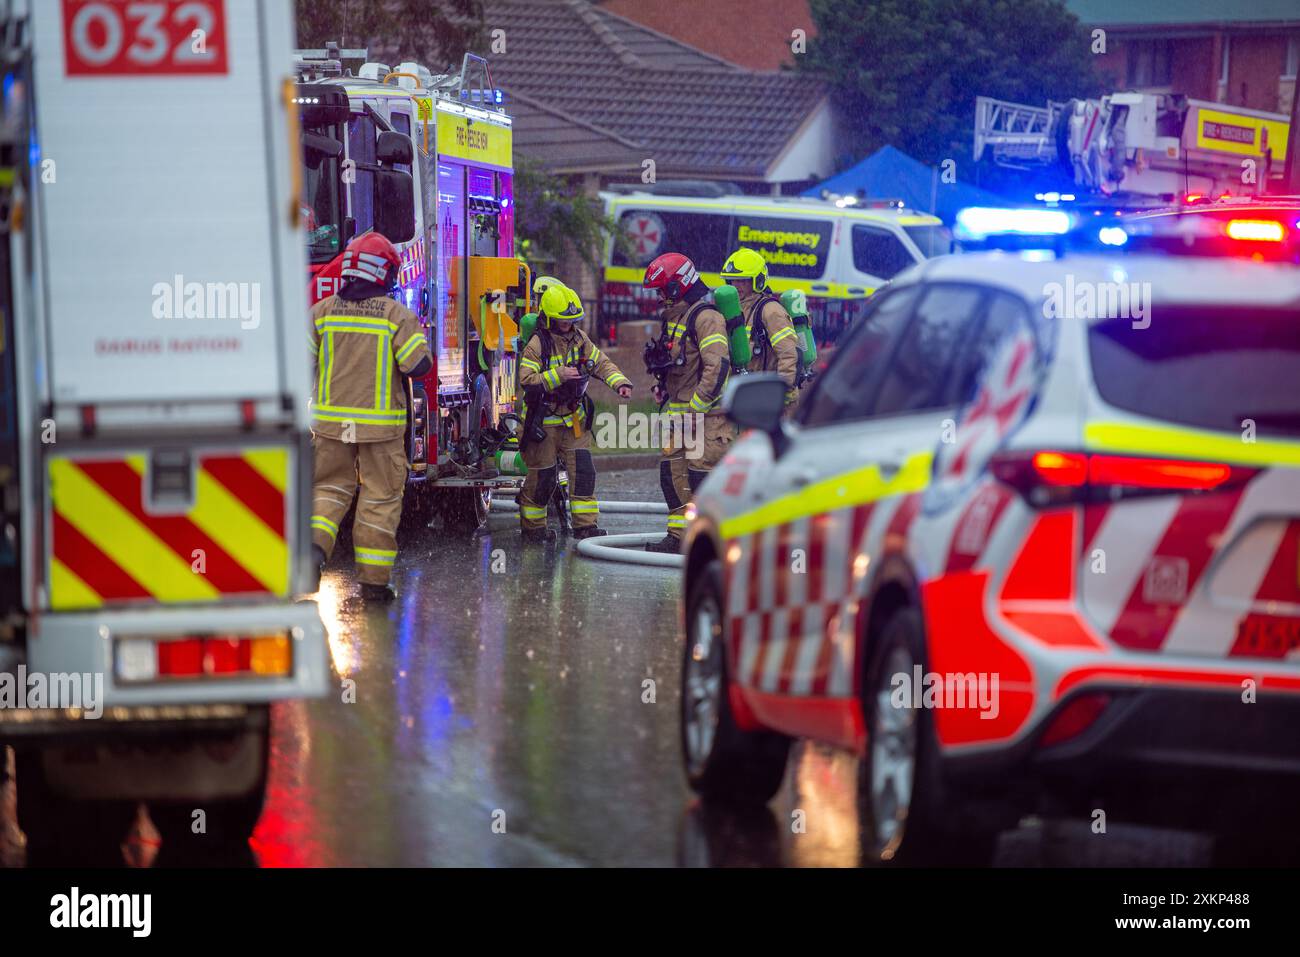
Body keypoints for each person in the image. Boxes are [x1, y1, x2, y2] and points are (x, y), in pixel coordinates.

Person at [308, 231, 431, 601]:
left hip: (330, 427)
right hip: (380, 431)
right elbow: (418, 366)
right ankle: (374, 584)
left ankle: (313, 555)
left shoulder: (323, 311)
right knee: (379, 500)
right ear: (386, 274)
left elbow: (301, 359)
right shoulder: (396, 316)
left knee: (328, 490)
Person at [516, 284, 632, 543]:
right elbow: (526, 379)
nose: (568, 326)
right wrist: (558, 375)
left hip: (573, 420)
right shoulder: (538, 344)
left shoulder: (580, 339)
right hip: (542, 423)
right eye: (563, 321)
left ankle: (586, 526)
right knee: (542, 478)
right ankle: (533, 529)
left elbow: (601, 363)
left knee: (583, 472)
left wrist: (620, 383)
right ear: (549, 318)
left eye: (571, 321)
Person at [640, 252, 734, 554]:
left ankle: (714, 542)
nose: (659, 297)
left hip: (707, 419)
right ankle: (679, 538)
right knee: (671, 477)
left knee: (701, 481)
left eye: (662, 290)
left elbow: (717, 366)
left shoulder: (706, 317)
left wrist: (696, 406)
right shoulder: (678, 317)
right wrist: (663, 389)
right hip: (680, 417)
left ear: (678, 286)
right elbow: (679, 365)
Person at [718, 247, 799, 407]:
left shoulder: (770, 311)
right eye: (733, 280)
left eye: (743, 280)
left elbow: (789, 355)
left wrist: (783, 393)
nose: (737, 285)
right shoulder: (732, 310)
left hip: (769, 401)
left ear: (758, 281)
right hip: (744, 397)